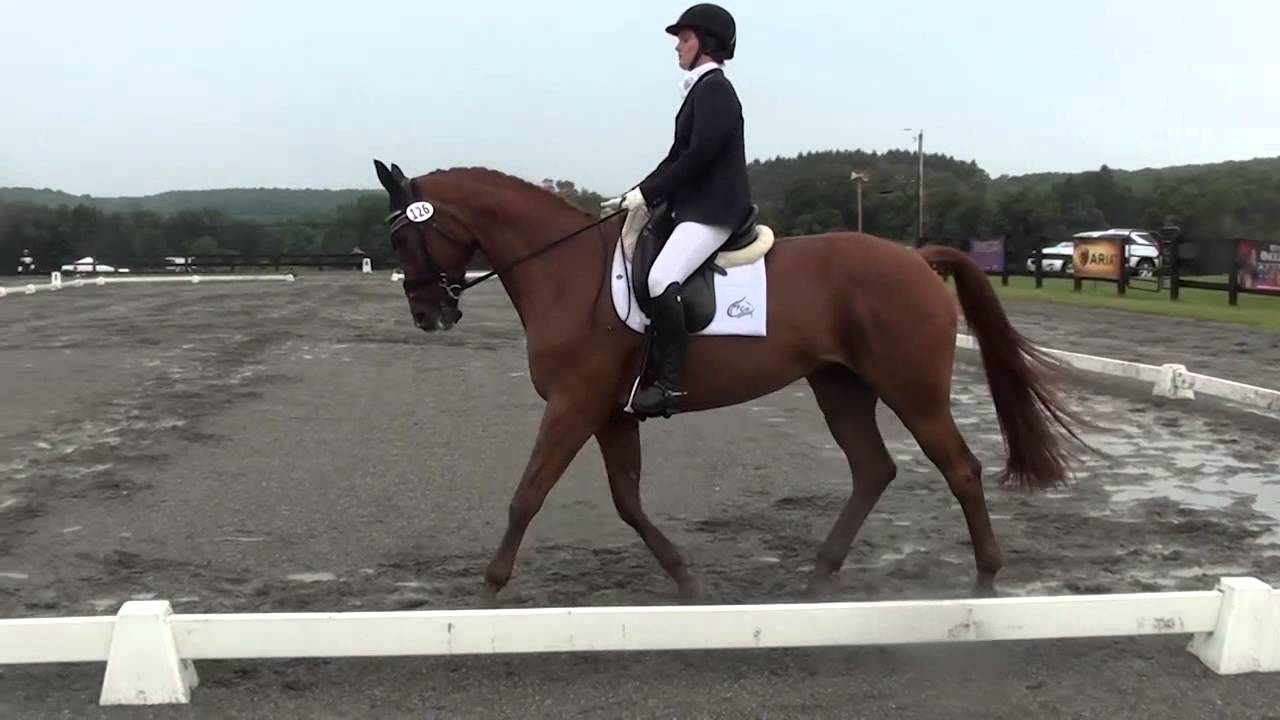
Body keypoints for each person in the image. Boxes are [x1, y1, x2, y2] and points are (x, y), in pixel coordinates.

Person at [614, 3, 753, 417]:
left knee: (660, 278)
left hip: (714, 211)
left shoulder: (715, 90)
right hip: (694, 208)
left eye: (684, 38)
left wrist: (650, 192)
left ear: (706, 44)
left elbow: (698, 157)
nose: (677, 46)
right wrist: (639, 192)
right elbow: (676, 156)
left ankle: (672, 384)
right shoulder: (698, 91)